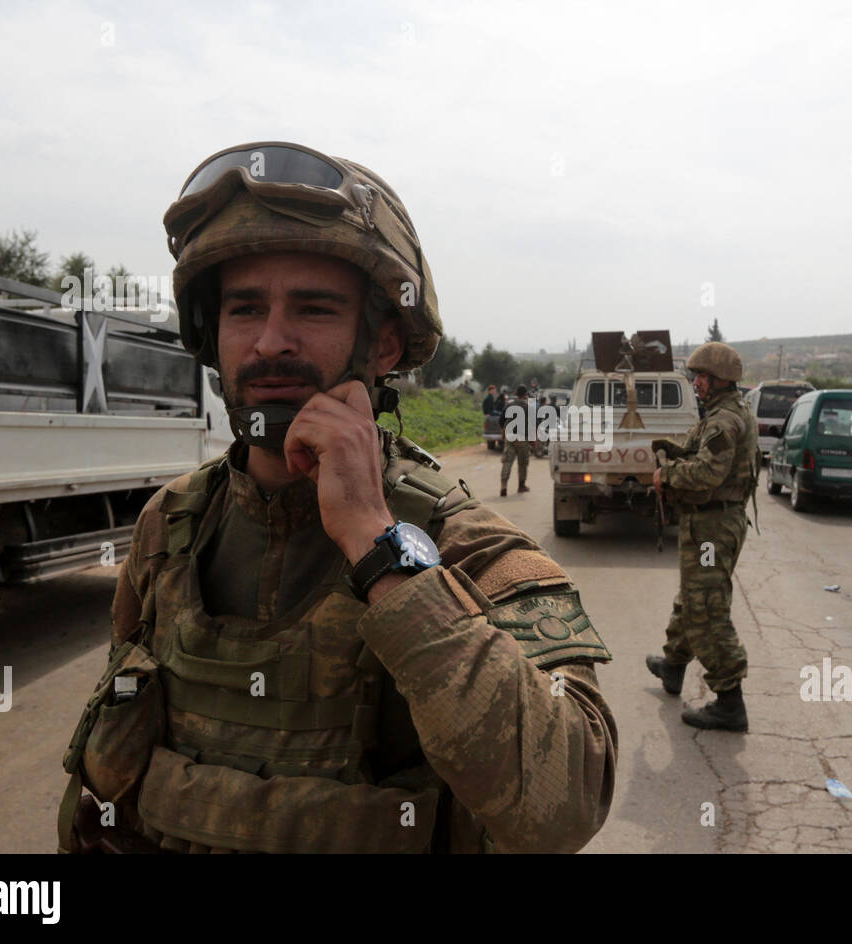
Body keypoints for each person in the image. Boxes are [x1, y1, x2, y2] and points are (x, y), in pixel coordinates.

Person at [58, 141, 615, 855]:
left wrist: (381, 548)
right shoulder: (169, 527)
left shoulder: (474, 550)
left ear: (383, 346)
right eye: (244, 308)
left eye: (313, 310)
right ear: (211, 334)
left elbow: (565, 807)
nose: (269, 341)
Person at [645, 342, 758, 732]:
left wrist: (667, 476)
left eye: (701, 377)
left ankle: (730, 701)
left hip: (712, 529)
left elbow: (709, 474)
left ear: (719, 379)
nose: (696, 382)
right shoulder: (721, 413)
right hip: (707, 525)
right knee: (692, 597)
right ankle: (673, 666)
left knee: (706, 609)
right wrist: (674, 452)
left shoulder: (725, 420)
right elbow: (702, 456)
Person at [500, 384, 533, 497]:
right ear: (525, 395)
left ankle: (503, 487)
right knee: (522, 463)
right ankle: (521, 486)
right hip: (522, 438)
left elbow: (501, 421)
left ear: (515, 394)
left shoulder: (509, 405)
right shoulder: (528, 407)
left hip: (510, 436)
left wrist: (503, 433)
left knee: (507, 461)